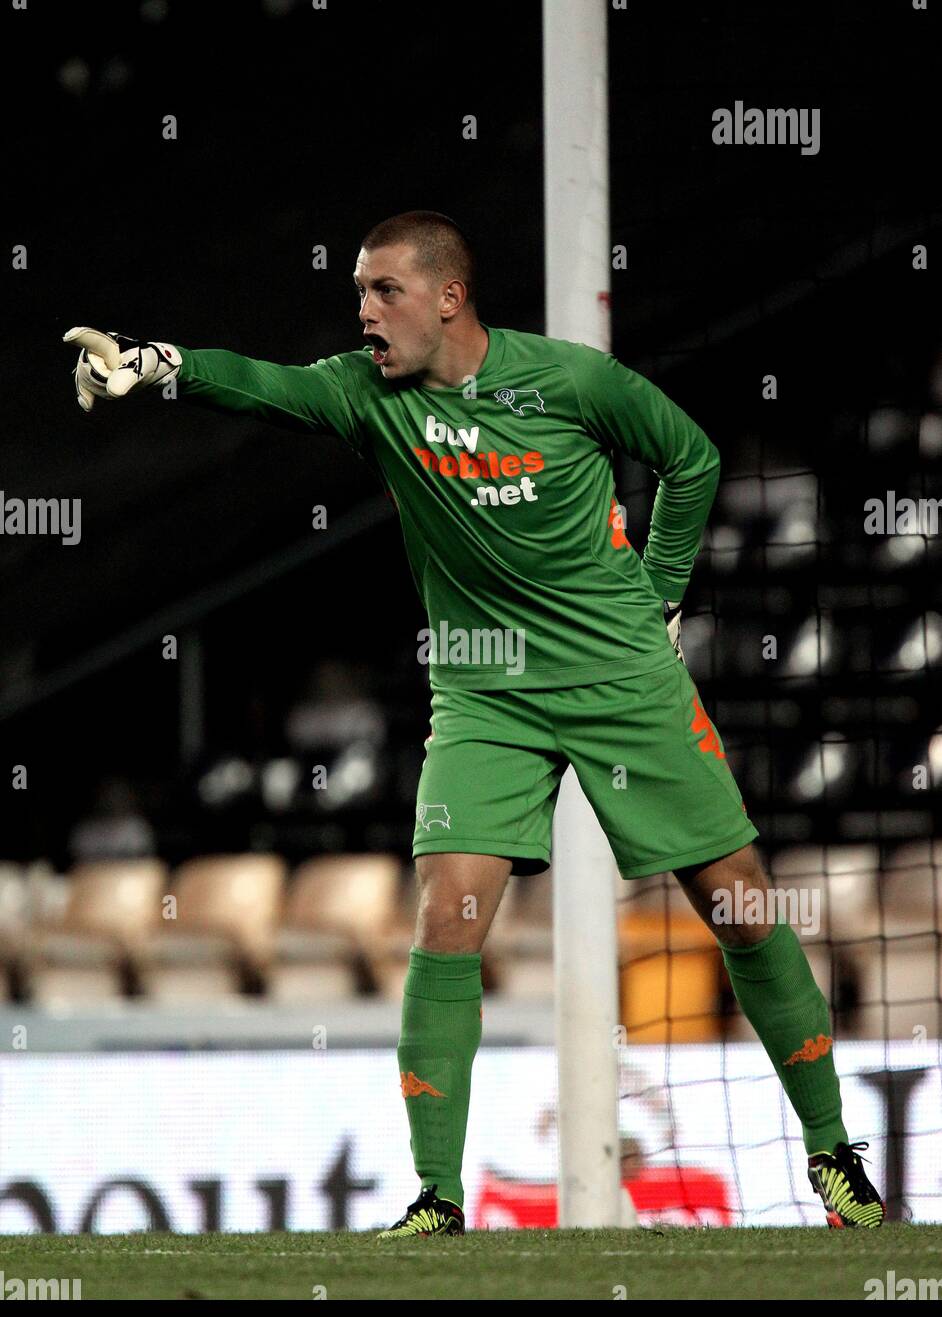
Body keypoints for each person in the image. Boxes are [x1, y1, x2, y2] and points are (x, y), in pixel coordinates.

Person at [63, 209, 885, 1235]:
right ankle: (437, 1198)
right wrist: (161, 363)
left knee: (741, 906)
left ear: (448, 296)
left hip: (619, 673)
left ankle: (832, 1155)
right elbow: (265, 385)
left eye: (383, 292)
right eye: (358, 293)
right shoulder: (368, 395)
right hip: (481, 686)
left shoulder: (570, 381)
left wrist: (661, 598)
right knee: (446, 915)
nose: (363, 312)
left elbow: (694, 457)